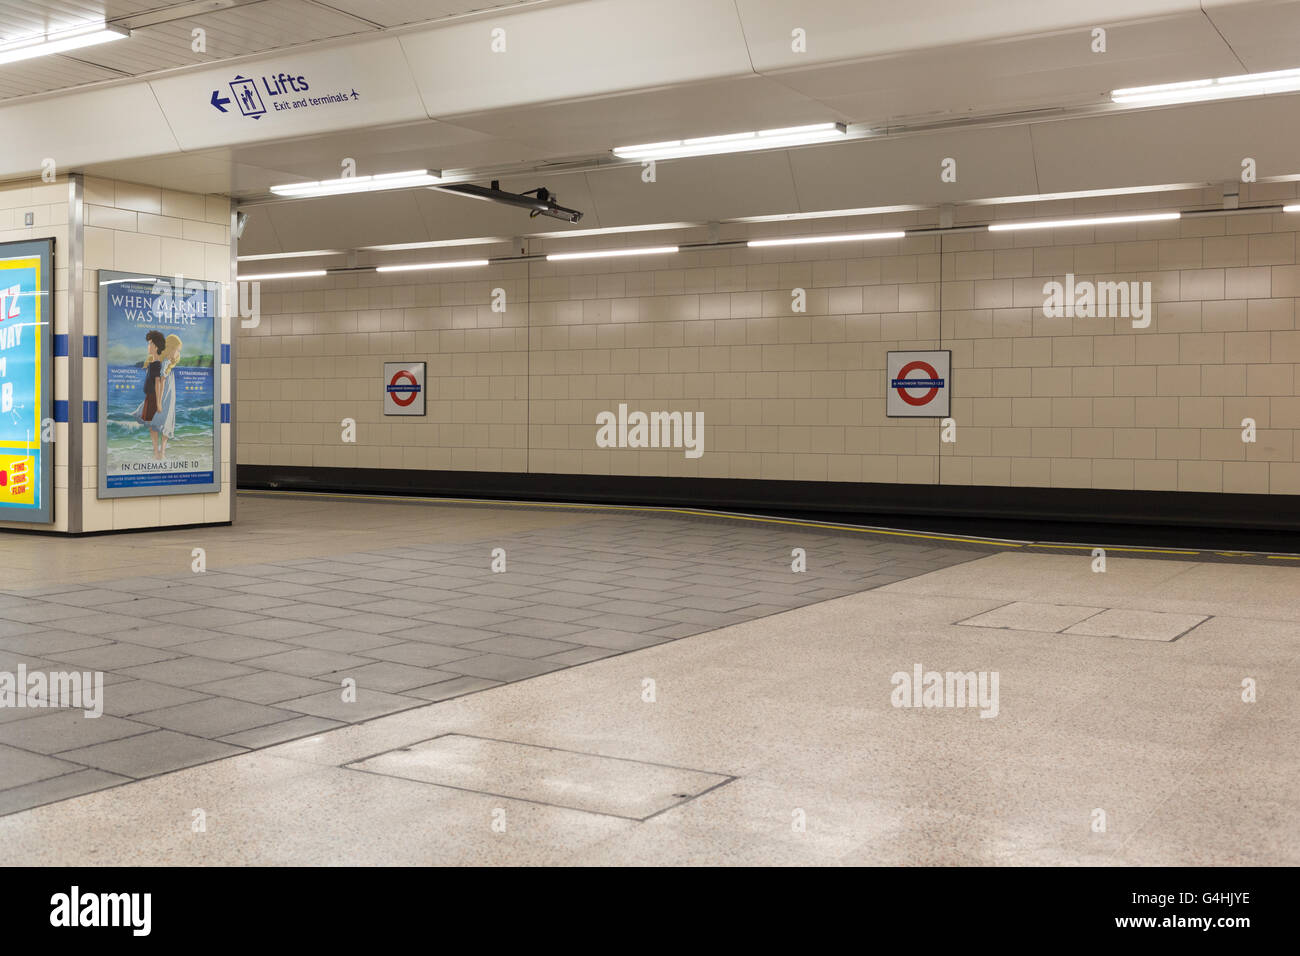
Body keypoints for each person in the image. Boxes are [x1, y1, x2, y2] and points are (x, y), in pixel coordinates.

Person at [147, 334, 182, 460]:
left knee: (161, 422)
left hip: (168, 396)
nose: (178, 353)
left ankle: (159, 452)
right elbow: (160, 383)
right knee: (160, 421)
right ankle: (159, 452)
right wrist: (159, 401)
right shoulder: (165, 363)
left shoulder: (167, 363)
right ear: (170, 348)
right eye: (177, 350)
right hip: (164, 396)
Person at [132, 331, 165, 459]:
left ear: (156, 346)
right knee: (152, 426)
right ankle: (156, 451)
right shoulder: (153, 363)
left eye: (150, 344)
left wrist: (158, 403)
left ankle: (157, 452)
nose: (148, 346)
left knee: (153, 425)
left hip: (153, 397)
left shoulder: (157, 364)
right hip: (149, 397)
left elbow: (158, 383)